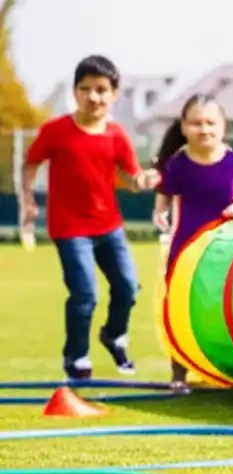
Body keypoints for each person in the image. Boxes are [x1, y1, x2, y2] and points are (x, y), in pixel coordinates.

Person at [20, 55, 160, 380]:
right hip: (70, 229)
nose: (93, 97)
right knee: (85, 294)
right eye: (85, 89)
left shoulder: (116, 135)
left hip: (109, 226)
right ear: (75, 92)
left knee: (128, 287)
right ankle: (77, 357)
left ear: (114, 94)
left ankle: (113, 335)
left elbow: (131, 177)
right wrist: (28, 200)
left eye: (101, 89)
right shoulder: (56, 131)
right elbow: (30, 163)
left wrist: (142, 181)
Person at [152, 94, 233, 388]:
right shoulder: (178, 164)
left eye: (211, 123)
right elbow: (165, 189)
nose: (204, 130)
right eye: (196, 123)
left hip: (226, 250)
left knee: (227, 306)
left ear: (223, 126)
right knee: (179, 307)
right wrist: (160, 211)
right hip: (185, 247)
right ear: (185, 127)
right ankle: (178, 374)